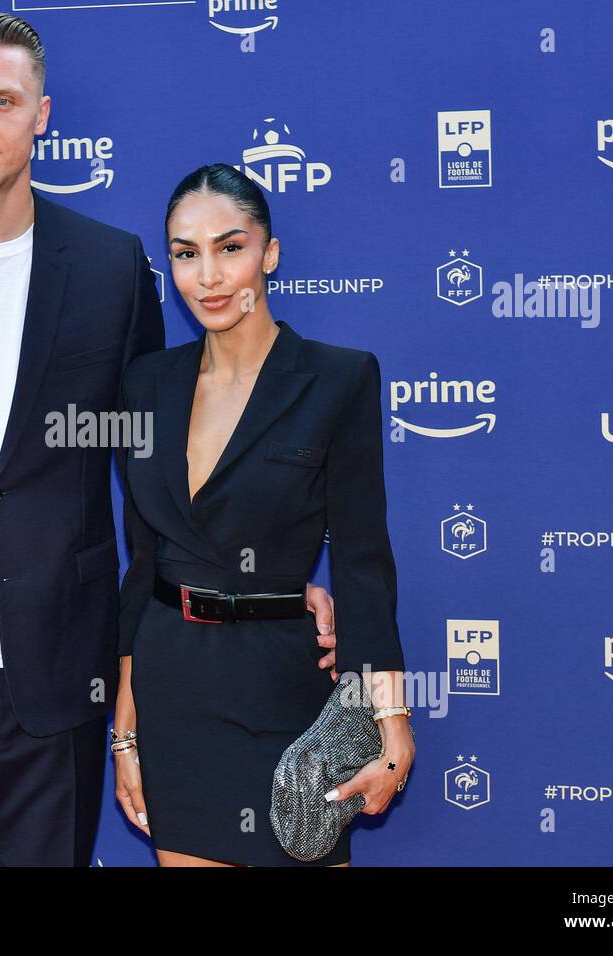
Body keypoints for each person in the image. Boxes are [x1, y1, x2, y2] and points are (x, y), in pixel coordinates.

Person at [0, 11, 340, 866]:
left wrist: (262, 583)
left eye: (4, 101)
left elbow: (156, 468)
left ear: (42, 113)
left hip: (61, 672)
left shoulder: (113, 268)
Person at [112, 163, 415, 867]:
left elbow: (364, 564)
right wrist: (126, 730)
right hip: (174, 692)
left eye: (230, 246)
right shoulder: (144, 386)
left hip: (286, 692)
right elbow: (142, 567)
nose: (209, 276)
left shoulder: (337, 379)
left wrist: (392, 722)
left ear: (269, 254)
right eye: (186, 254)